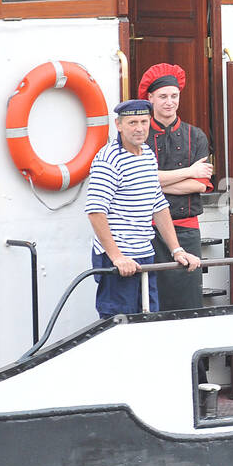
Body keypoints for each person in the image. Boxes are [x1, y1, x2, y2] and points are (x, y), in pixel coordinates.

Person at [85, 99, 201, 318]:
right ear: (118, 125)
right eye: (132, 123)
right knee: (119, 326)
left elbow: (159, 205)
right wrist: (117, 257)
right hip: (118, 261)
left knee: (149, 320)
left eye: (144, 122)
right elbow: (95, 211)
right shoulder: (108, 160)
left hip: (146, 255)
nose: (139, 128)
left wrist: (177, 250)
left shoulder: (147, 154)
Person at [141, 63, 213, 311]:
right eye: (162, 96)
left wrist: (155, 181)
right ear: (150, 98)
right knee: (151, 301)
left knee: (189, 302)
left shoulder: (196, 136)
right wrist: (189, 172)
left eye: (174, 96)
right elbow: (142, 178)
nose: (169, 102)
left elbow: (200, 186)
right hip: (147, 231)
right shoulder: (140, 136)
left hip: (186, 229)